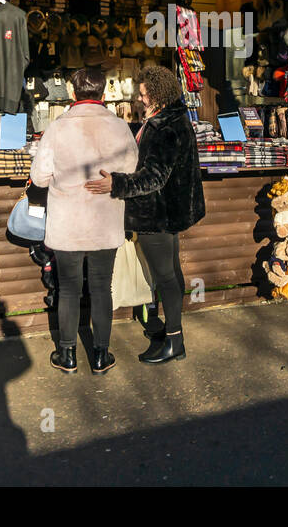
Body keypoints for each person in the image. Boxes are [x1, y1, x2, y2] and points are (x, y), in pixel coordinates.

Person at [85, 64, 205, 363]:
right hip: (167, 210)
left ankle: (174, 342)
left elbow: (154, 177)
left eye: (143, 94)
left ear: (158, 94)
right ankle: (172, 334)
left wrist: (117, 184)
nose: (140, 99)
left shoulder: (165, 126)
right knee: (171, 274)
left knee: (166, 276)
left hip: (158, 214)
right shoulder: (167, 119)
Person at [30, 67, 138, 375]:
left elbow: (39, 177)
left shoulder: (57, 128)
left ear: (73, 94)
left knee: (69, 288)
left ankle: (67, 355)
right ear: (103, 95)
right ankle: (101, 355)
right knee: (102, 287)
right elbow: (131, 171)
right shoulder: (120, 127)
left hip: (68, 225)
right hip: (105, 221)